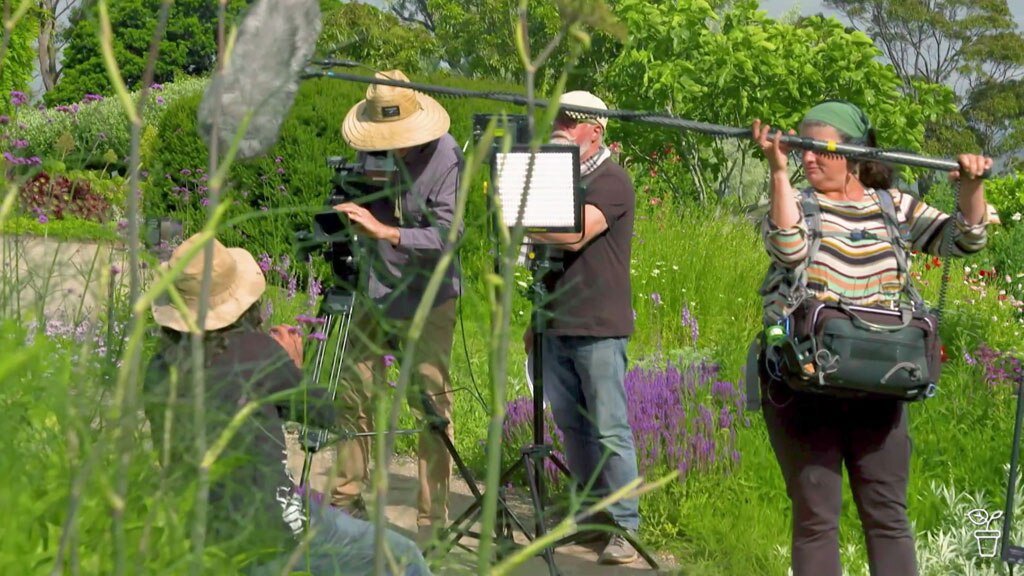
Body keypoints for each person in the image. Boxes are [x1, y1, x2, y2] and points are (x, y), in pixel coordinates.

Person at [750, 99, 1000, 576]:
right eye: (801, 149)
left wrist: (971, 187)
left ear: (855, 154)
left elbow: (965, 240)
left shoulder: (893, 206)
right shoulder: (799, 202)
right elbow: (788, 247)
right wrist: (778, 172)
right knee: (816, 518)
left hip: (879, 382)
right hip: (804, 383)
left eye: (819, 149)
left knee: (887, 517)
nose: (809, 159)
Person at [142, 233, 430, 575]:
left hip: (197, 528)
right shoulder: (258, 353)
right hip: (271, 537)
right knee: (404, 555)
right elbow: (324, 414)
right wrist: (291, 365)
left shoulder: (158, 368)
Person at [326, 69, 463, 542]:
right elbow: (361, 199)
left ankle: (432, 523)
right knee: (353, 395)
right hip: (373, 286)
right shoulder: (369, 145)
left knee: (429, 406)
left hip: (427, 294)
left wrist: (388, 231)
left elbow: (450, 234)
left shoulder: (446, 154)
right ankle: (345, 503)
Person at [521, 90, 642, 565]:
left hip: (597, 323)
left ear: (597, 130)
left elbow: (572, 234)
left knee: (610, 428)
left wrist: (520, 218)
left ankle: (625, 527)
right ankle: (592, 518)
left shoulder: (611, 180)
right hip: (555, 321)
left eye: (573, 122)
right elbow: (544, 262)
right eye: (559, 119)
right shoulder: (557, 179)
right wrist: (535, 322)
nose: (562, 127)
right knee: (573, 425)